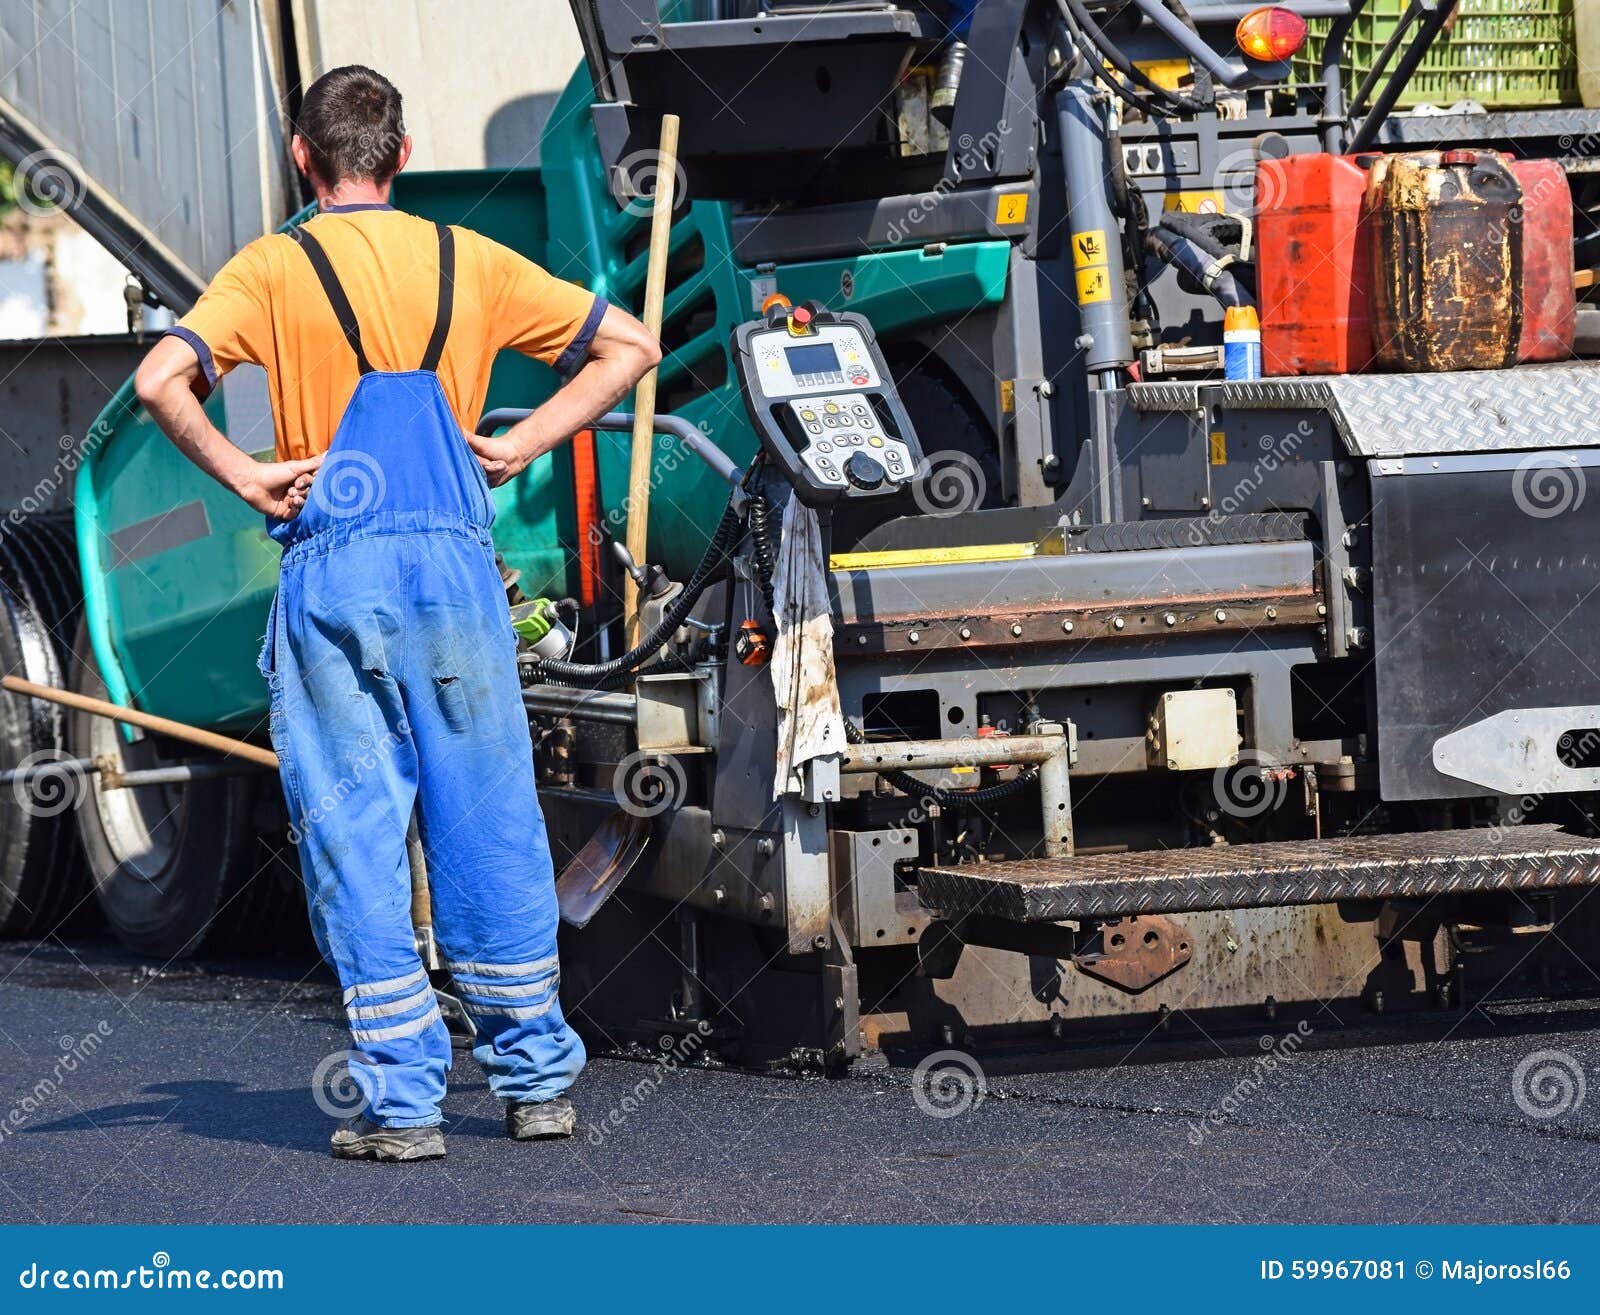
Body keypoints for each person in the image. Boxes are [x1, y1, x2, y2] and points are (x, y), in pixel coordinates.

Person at [134, 65, 660, 1162]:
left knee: (356, 830)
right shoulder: (467, 258)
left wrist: (245, 474)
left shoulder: (273, 267)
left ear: (300, 157)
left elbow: (157, 381)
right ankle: (535, 1081)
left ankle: (404, 1101)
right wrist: (521, 441)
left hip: (338, 575)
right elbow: (632, 348)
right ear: (404, 156)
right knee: (489, 818)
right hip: (458, 580)